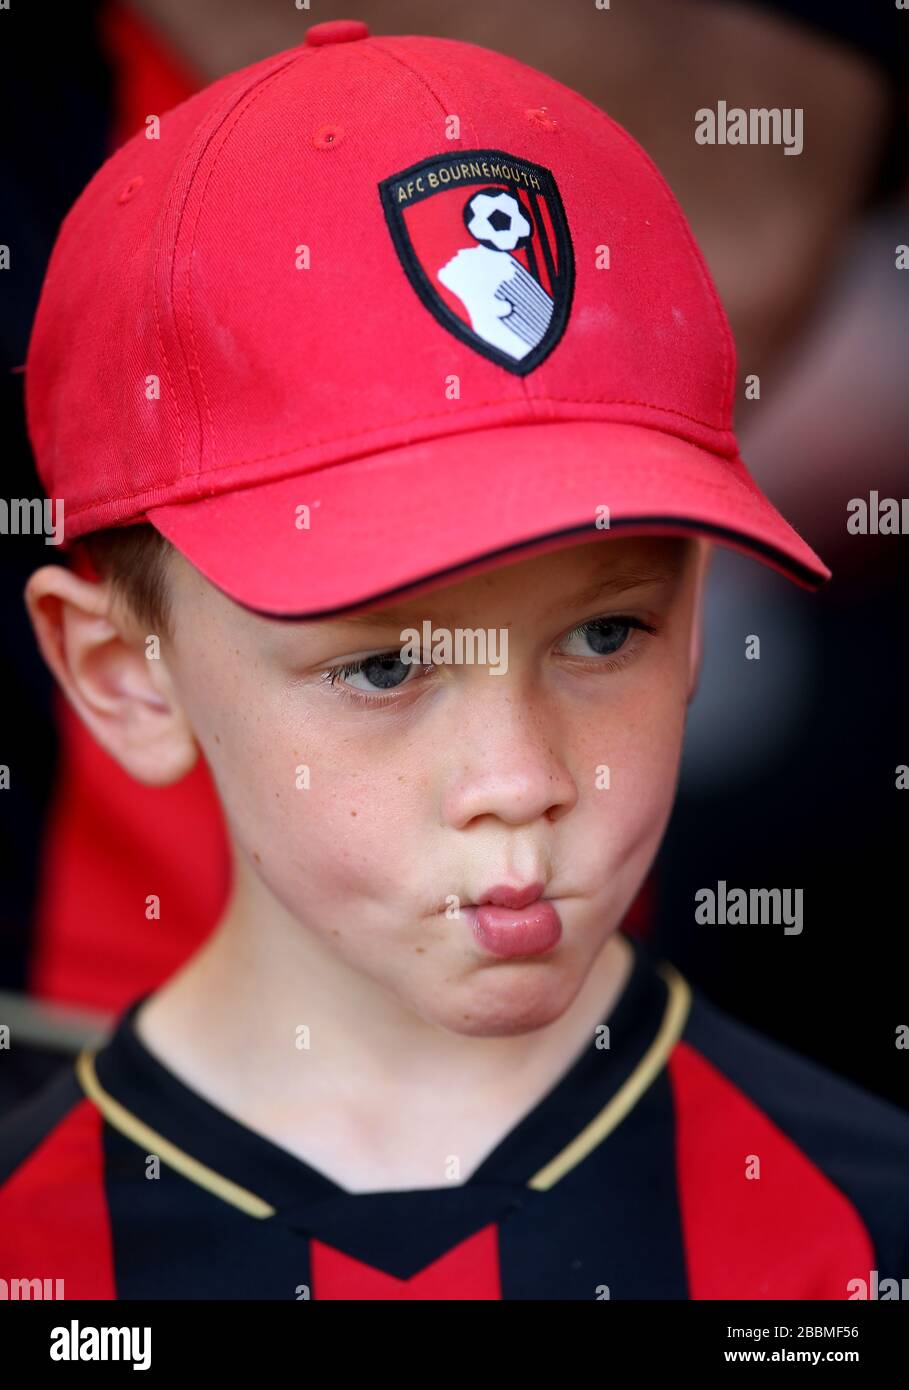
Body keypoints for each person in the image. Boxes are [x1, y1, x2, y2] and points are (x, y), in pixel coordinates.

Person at [1, 21, 906, 1300]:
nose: (520, 776)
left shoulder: (858, 1237)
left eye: (606, 633)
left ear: (696, 619)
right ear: (124, 674)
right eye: (382, 668)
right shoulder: (35, 1256)